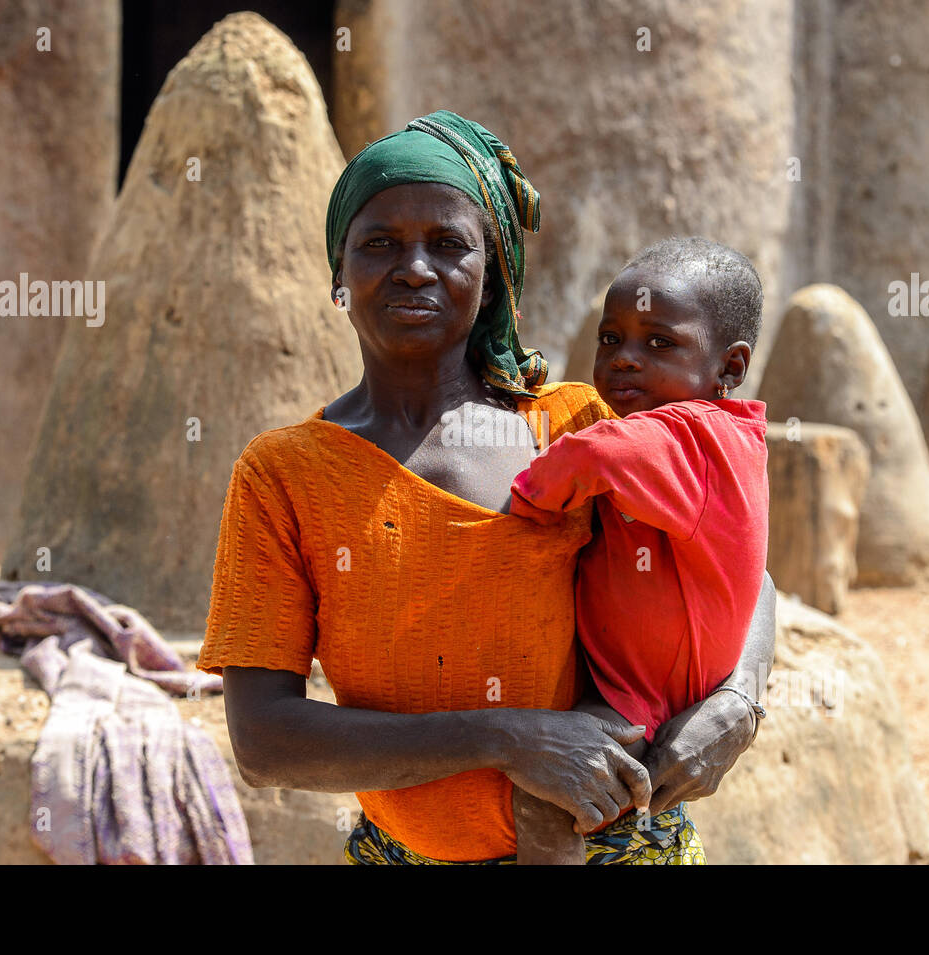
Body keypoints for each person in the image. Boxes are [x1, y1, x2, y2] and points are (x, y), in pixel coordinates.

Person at [197, 110, 777, 864]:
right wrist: (509, 739)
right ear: (338, 273)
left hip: (624, 848)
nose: (413, 267)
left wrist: (740, 701)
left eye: (448, 244)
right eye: (379, 243)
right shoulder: (284, 476)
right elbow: (267, 742)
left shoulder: (581, 430)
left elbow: (740, 564)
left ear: (493, 268)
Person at [508, 238, 770, 863]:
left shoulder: (681, 434)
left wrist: (522, 500)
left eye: (659, 343)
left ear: (729, 369)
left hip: (639, 698)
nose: (624, 359)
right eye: (611, 339)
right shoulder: (726, 440)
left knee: (544, 797)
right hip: (673, 681)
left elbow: (594, 454)